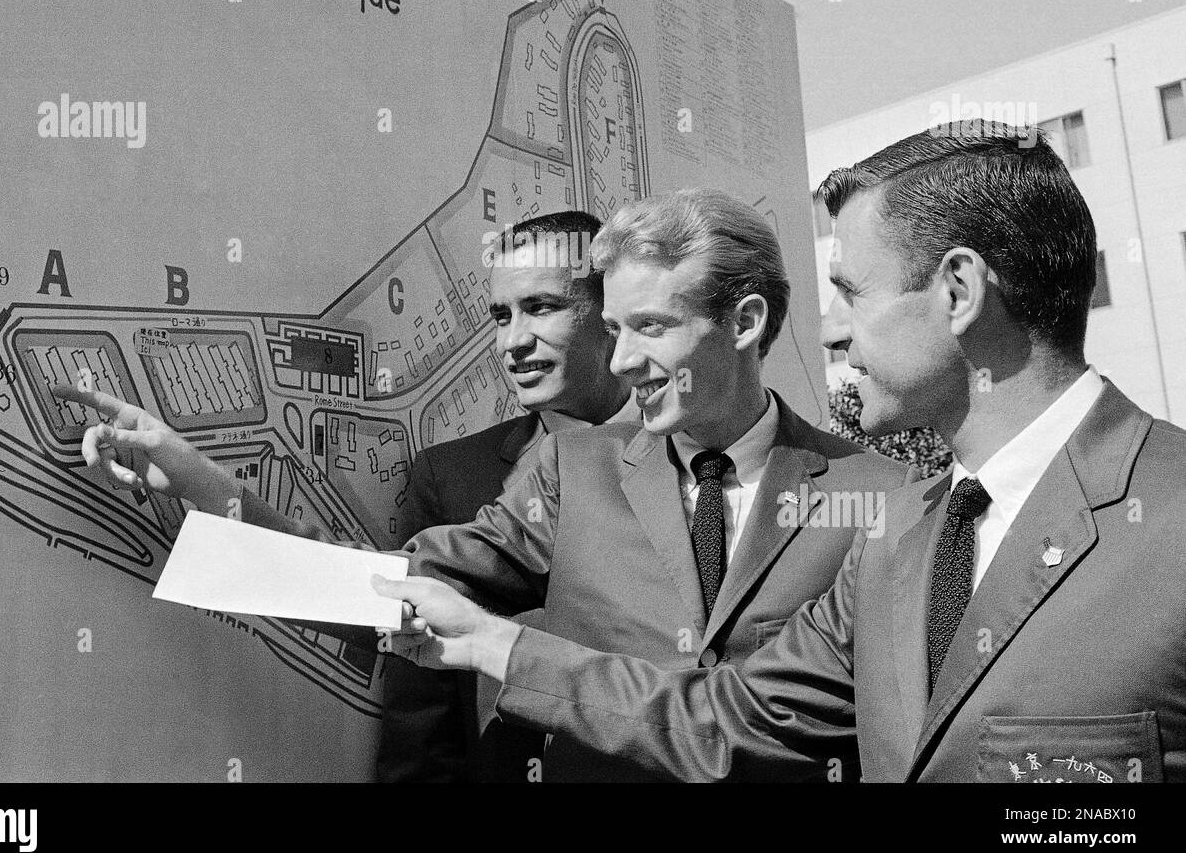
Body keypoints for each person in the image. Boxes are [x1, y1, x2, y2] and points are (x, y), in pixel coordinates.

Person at [377, 123, 1186, 783]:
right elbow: (720, 716)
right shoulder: (904, 534)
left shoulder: (1163, 517)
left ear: (959, 292)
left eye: (854, 294)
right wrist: (490, 642)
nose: (836, 328)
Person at [56, 187, 910, 782]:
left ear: (747, 322)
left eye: (650, 327)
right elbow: (392, 589)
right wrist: (204, 483)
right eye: (612, 329)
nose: (619, 362)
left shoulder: (883, 498)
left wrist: (507, 650)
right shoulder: (574, 472)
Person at [379, 210, 634, 782]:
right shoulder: (452, 477)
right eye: (501, 315)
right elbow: (420, 705)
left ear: (610, 314)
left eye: (541, 307)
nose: (514, 341)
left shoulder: (694, 460)